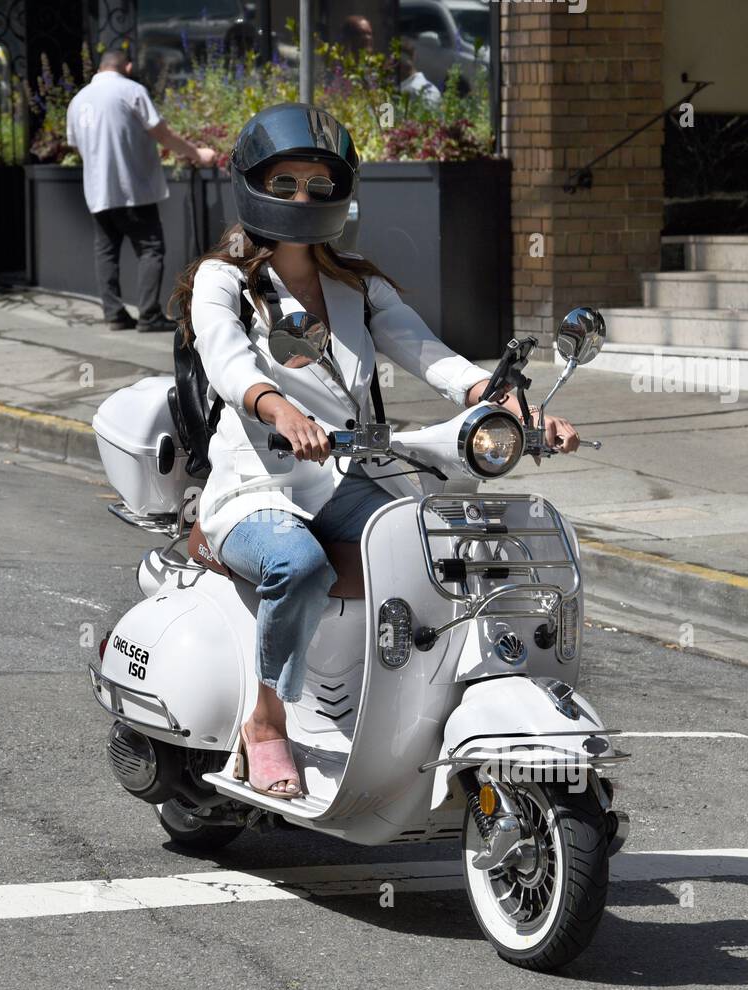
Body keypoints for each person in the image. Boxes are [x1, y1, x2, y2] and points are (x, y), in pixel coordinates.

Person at [170, 104, 580, 798]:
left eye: (320, 184)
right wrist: (278, 406)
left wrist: (514, 405)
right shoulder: (225, 281)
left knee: (444, 553)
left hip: (338, 479)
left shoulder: (356, 284)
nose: (305, 197)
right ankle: (266, 722)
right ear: (253, 184)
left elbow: (432, 355)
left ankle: (410, 710)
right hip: (257, 485)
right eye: (288, 181)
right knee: (297, 565)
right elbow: (227, 356)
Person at [65, 48, 217, 332]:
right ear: (129, 65)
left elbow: (75, 146)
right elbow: (162, 133)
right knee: (150, 249)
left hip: (97, 190)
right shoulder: (131, 90)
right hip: (131, 188)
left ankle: (114, 314)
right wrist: (197, 153)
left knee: (106, 251)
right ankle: (148, 314)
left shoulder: (77, 100)